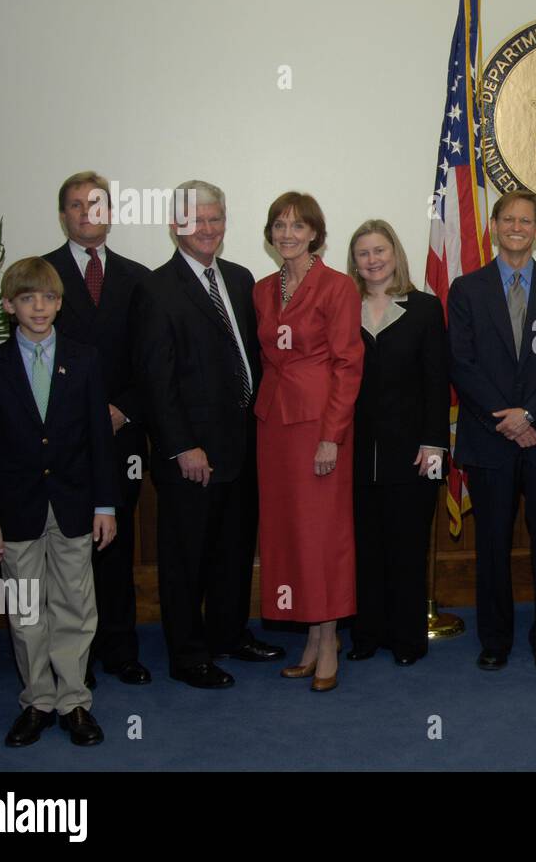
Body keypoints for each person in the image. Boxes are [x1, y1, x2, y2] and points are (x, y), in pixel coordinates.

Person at [132, 180, 283, 690]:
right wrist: (180, 446)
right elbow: (156, 380)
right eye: (196, 220)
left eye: (216, 218)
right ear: (175, 225)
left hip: (244, 445)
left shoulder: (240, 279)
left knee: (234, 551)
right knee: (186, 557)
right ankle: (188, 654)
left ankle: (228, 633)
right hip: (191, 453)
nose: (208, 228)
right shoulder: (155, 289)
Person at [0, 257, 116, 746]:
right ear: (10, 306)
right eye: (28, 298)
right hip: (14, 510)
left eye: (49, 298)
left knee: (76, 604)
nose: (39, 307)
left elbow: (99, 438)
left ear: (59, 303)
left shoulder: (85, 358)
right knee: (27, 610)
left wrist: (105, 506)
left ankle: (74, 701)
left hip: (75, 503)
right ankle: (38, 701)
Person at [448, 189, 536, 671]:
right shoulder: (467, 289)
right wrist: (507, 420)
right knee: (493, 546)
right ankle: (495, 640)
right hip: (489, 440)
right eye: (508, 219)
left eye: (526, 221)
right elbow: (462, 364)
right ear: (495, 227)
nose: (517, 228)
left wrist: (529, 417)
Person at [43, 171, 153, 689]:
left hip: (122, 439)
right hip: (61, 442)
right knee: (67, 549)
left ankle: (119, 648)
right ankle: (70, 657)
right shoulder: (40, 277)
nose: (88, 214)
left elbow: (151, 362)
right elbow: (29, 366)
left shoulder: (139, 278)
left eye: (97, 204)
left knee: (116, 544)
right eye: (76, 206)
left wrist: (123, 411)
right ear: (63, 215)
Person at [253, 193, 363, 691]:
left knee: (323, 536)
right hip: (273, 425)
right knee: (289, 535)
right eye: (279, 225)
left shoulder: (338, 287)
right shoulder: (260, 290)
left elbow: (347, 363)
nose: (288, 234)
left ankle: (328, 640)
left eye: (298, 226)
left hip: (321, 425)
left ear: (315, 234)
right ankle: (312, 637)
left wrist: (332, 438)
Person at [346, 220, 448, 666]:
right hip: (353, 451)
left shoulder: (424, 308)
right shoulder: (342, 306)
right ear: (355, 261)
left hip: (413, 452)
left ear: (395, 253)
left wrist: (434, 445)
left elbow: (436, 382)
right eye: (363, 252)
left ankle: (407, 639)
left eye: (379, 250)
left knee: (406, 547)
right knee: (364, 549)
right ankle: (366, 635)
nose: (372, 260)